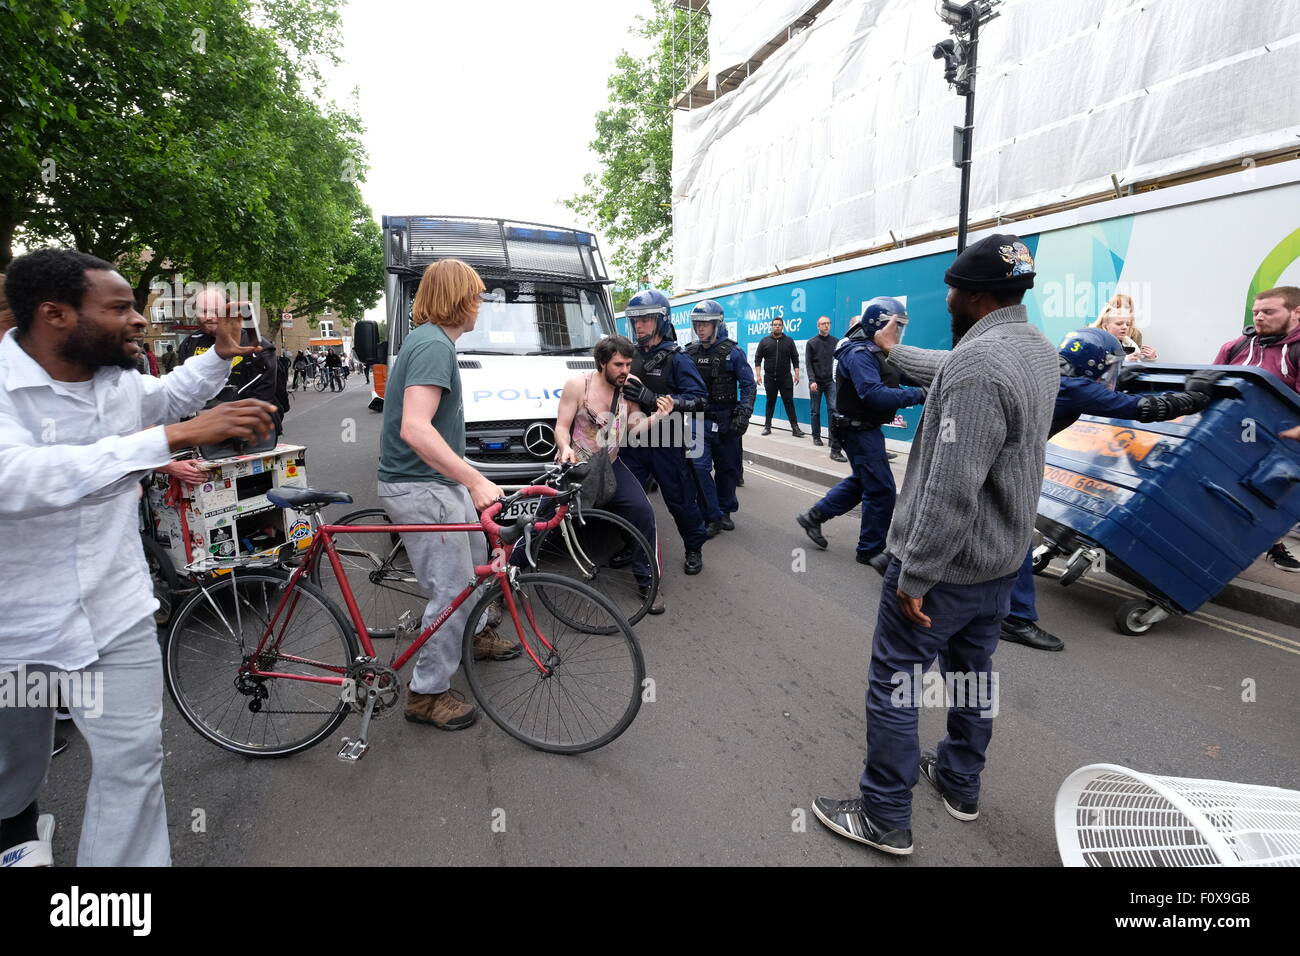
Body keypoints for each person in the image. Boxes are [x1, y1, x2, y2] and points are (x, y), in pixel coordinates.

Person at [0, 248, 275, 867]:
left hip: (115, 614)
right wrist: (170, 438)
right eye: (120, 307)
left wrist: (218, 357)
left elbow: (166, 398)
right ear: (56, 315)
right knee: (12, 769)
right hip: (14, 629)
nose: (138, 320)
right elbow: (13, 478)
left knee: (134, 764)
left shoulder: (118, 384)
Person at [812, 234, 1059, 857]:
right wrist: (891, 353)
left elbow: (952, 489)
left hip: (946, 568)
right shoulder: (1033, 348)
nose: (944, 299)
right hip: (1000, 565)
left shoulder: (978, 367)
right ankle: (958, 781)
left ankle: (885, 815)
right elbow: (948, 368)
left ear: (974, 297)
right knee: (972, 676)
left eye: (951, 291)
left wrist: (915, 575)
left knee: (895, 683)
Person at [1000, 327, 1224, 651]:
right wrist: (1194, 397)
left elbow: (1103, 393)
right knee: (1016, 536)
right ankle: (1015, 618)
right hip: (1008, 467)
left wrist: (1122, 378)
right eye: (1109, 367)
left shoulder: (1050, 372)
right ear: (1094, 365)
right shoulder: (1075, 388)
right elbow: (1143, 410)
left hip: (997, 459)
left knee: (997, 533)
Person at [377, 259, 516, 732]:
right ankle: (427, 692)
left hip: (437, 482)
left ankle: (472, 637)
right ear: (459, 299)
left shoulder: (432, 342)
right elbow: (415, 428)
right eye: (475, 296)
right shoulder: (434, 345)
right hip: (422, 486)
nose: (480, 305)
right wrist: (475, 480)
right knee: (452, 590)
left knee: (475, 559)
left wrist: (467, 476)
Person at [796, 297, 926, 571]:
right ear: (879, 325)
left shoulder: (877, 352)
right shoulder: (859, 354)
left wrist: (929, 379)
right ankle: (869, 550)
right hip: (857, 430)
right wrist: (920, 394)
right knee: (882, 490)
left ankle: (814, 516)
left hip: (863, 428)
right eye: (895, 326)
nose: (898, 333)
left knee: (864, 480)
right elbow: (874, 395)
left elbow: (900, 375)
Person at [552, 334, 668, 613]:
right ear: (602, 362)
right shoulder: (578, 385)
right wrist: (565, 447)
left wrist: (658, 417)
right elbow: (560, 426)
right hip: (577, 466)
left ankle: (648, 582)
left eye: (628, 364)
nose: (625, 370)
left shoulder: (631, 386)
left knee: (644, 513)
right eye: (618, 364)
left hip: (612, 464)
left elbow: (633, 430)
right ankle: (505, 578)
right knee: (541, 522)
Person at [619, 288, 711, 575]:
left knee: (680, 499)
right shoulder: (627, 355)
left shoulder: (677, 358)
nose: (639, 325)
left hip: (667, 439)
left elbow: (700, 399)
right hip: (632, 440)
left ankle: (694, 546)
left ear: (661, 320)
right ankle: (632, 545)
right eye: (635, 320)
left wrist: (653, 400)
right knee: (626, 499)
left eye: (645, 319)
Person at [1213, 285, 1300, 572]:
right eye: (1256, 312)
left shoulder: (1296, 351)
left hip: (1277, 442)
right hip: (1227, 433)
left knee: (1266, 499)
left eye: (1269, 311)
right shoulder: (1235, 346)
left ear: (1296, 313)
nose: (1260, 317)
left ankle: (1273, 547)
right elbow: (1212, 383)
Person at [177, 287, 281, 452]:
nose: (209, 317)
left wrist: (216, 410)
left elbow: (262, 397)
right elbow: (181, 390)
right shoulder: (190, 343)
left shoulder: (258, 347)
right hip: (200, 436)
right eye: (203, 311)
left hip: (249, 436)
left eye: (216, 311)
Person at [684, 300, 756, 533]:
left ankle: (725, 509)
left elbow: (748, 385)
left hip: (726, 420)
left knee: (728, 469)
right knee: (699, 467)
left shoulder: (733, 353)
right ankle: (711, 513)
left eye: (705, 324)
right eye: (697, 324)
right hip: (697, 420)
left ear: (717, 324)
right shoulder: (689, 353)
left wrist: (744, 413)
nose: (700, 328)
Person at [754, 317, 804, 436]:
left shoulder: (789, 341)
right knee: (770, 402)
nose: (777, 326)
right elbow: (757, 359)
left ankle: (795, 428)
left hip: (785, 378)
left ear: (782, 327)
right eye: (775, 325)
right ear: (771, 326)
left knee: (789, 402)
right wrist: (758, 375)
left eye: (779, 325)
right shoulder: (764, 341)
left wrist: (796, 374)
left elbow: (795, 358)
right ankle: (767, 426)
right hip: (770, 378)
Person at [805, 316, 844, 459]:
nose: (826, 326)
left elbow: (839, 363)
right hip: (816, 382)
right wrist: (811, 380)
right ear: (818, 326)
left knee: (833, 410)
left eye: (828, 323)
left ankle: (832, 438)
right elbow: (808, 364)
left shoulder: (836, 342)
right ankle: (816, 436)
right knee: (815, 410)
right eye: (823, 324)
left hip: (830, 382)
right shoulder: (811, 343)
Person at [1092, 293, 1155, 362]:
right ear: (1105, 325)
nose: (1125, 327)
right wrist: (1124, 360)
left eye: (1128, 324)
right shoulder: (1092, 337)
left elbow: (1138, 362)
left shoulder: (1131, 340)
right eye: (1119, 324)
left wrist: (1149, 358)